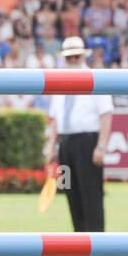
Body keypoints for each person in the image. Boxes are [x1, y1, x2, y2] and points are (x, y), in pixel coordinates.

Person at [44, 36, 115, 232]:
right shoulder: (59, 83)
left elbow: (106, 114)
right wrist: (51, 148)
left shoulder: (95, 79)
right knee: (70, 190)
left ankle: (96, 238)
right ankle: (79, 237)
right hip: (66, 145)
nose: (73, 60)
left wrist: (101, 146)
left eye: (76, 56)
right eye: (69, 57)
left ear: (83, 56)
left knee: (91, 191)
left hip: (88, 142)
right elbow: (56, 120)